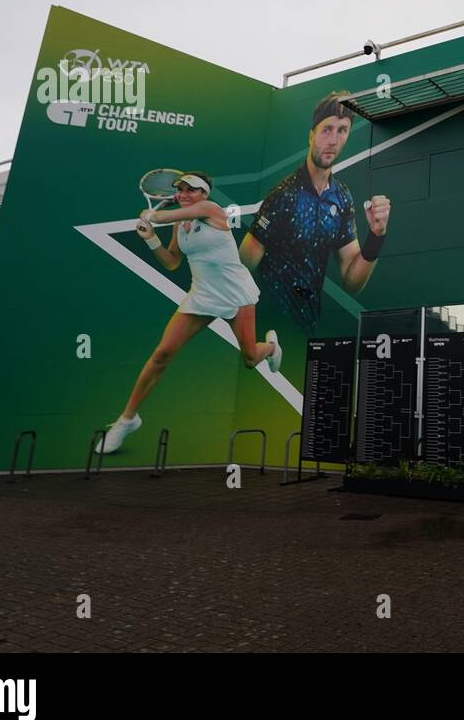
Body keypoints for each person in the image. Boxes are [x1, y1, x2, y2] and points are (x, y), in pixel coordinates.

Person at [95, 172, 281, 454]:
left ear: (204, 194)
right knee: (162, 354)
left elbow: (157, 216)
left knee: (250, 359)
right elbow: (172, 263)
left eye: (190, 190)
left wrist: (151, 216)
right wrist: (150, 240)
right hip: (202, 295)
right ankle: (128, 419)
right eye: (180, 190)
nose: (183, 194)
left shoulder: (211, 210)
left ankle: (269, 347)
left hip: (236, 296)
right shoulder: (179, 223)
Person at [238, 92, 391, 334]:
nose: (333, 139)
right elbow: (242, 268)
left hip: (307, 330)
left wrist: (377, 235)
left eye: (342, 130)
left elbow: (352, 281)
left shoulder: (342, 197)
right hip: (269, 329)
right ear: (311, 136)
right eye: (326, 129)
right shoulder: (283, 195)